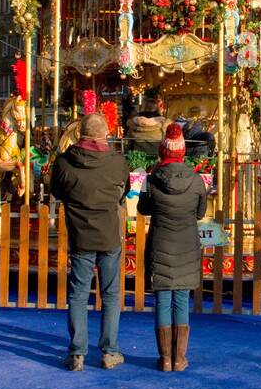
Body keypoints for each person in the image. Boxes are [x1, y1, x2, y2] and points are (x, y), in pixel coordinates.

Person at [49, 111, 130, 372]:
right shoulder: (117, 162)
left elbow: (56, 191)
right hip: (108, 235)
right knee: (110, 294)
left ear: (80, 133)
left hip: (80, 235)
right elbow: (123, 191)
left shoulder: (64, 163)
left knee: (79, 294)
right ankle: (109, 350)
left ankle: (77, 352)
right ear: (105, 134)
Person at [136, 123, 207, 372]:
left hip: (161, 245)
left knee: (163, 300)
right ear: (182, 152)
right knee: (181, 301)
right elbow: (200, 213)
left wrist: (148, 187)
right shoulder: (197, 181)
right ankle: (179, 358)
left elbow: (142, 209)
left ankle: (165, 358)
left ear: (163, 151)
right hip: (187, 247)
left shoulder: (152, 180)